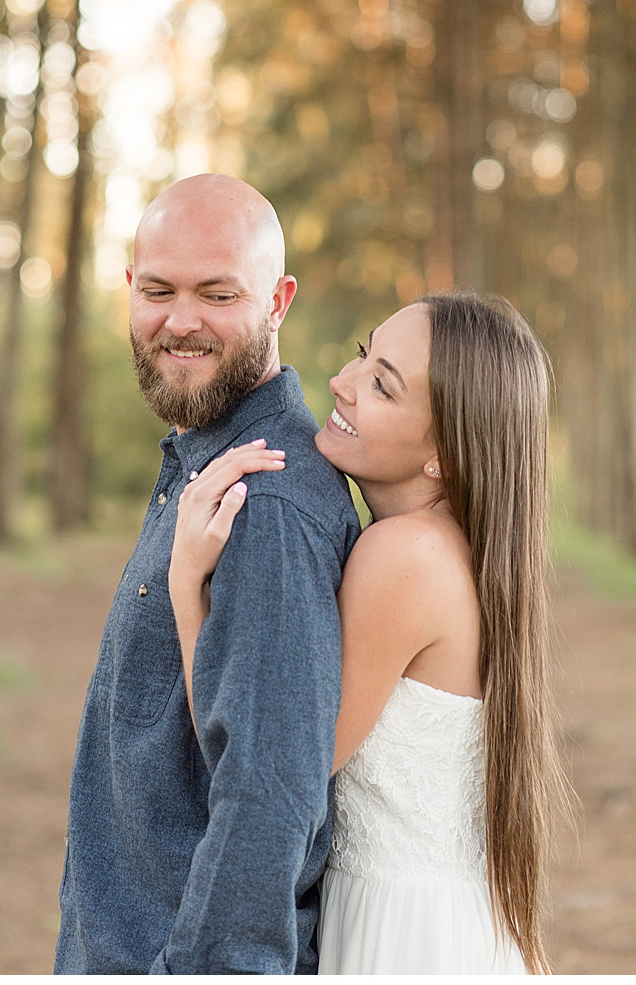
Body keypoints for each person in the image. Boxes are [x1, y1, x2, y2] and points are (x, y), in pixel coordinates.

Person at [169, 292, 566, 974]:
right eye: (363, 355)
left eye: (382, 384)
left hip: (402, 937)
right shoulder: (453, 551)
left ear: (444, 451)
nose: (341, 384)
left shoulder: (403, 558)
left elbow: (266, 769)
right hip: (448, 920)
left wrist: (185, 586)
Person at [55, 174, 361, 974]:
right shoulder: (205, 467)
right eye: (157, 289)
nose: (179, 321)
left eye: (217, 294)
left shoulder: (264, 504)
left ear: (277, 302)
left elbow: (268, 803)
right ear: (129, 289)